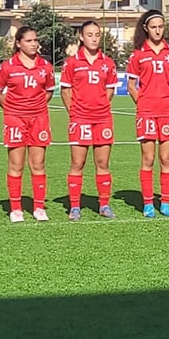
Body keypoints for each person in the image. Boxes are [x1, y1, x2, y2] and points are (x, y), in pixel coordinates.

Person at [0, 26, 55, 222]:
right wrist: (12, 108)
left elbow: (49, 90)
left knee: (38, 164)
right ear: (18, 43)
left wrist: (35, 107)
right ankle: (16, 209)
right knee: (16, 164)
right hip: (15, 119)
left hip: (39, 118)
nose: (34, 44)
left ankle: (38, 207)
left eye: (35, 40)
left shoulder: (45, 66)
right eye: (29, 41)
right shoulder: (8, 66)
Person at [127, 9, 169, 217]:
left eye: (161, 27)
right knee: (148, 158)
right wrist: (142, 102)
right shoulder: (138, 55)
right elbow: (132, 84)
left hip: (167, 112)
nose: (158, 31)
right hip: (147, 113)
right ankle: (148, 203)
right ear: (146, 29)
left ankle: (166, 202)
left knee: (166, 158)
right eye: (154, 27)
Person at [60, 20, 118, 220]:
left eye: (97, 35)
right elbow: (65, 90)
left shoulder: (107, 63)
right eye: (90, 35)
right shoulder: (72, 62)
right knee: (78, 163)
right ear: (81, 37)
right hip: (80, 119)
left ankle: (104, 204)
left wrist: (101, 105)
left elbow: (110, 89)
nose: (94, 38)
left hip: (102, 119)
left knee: (102, 162)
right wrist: (74, 112)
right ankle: (75, 206)